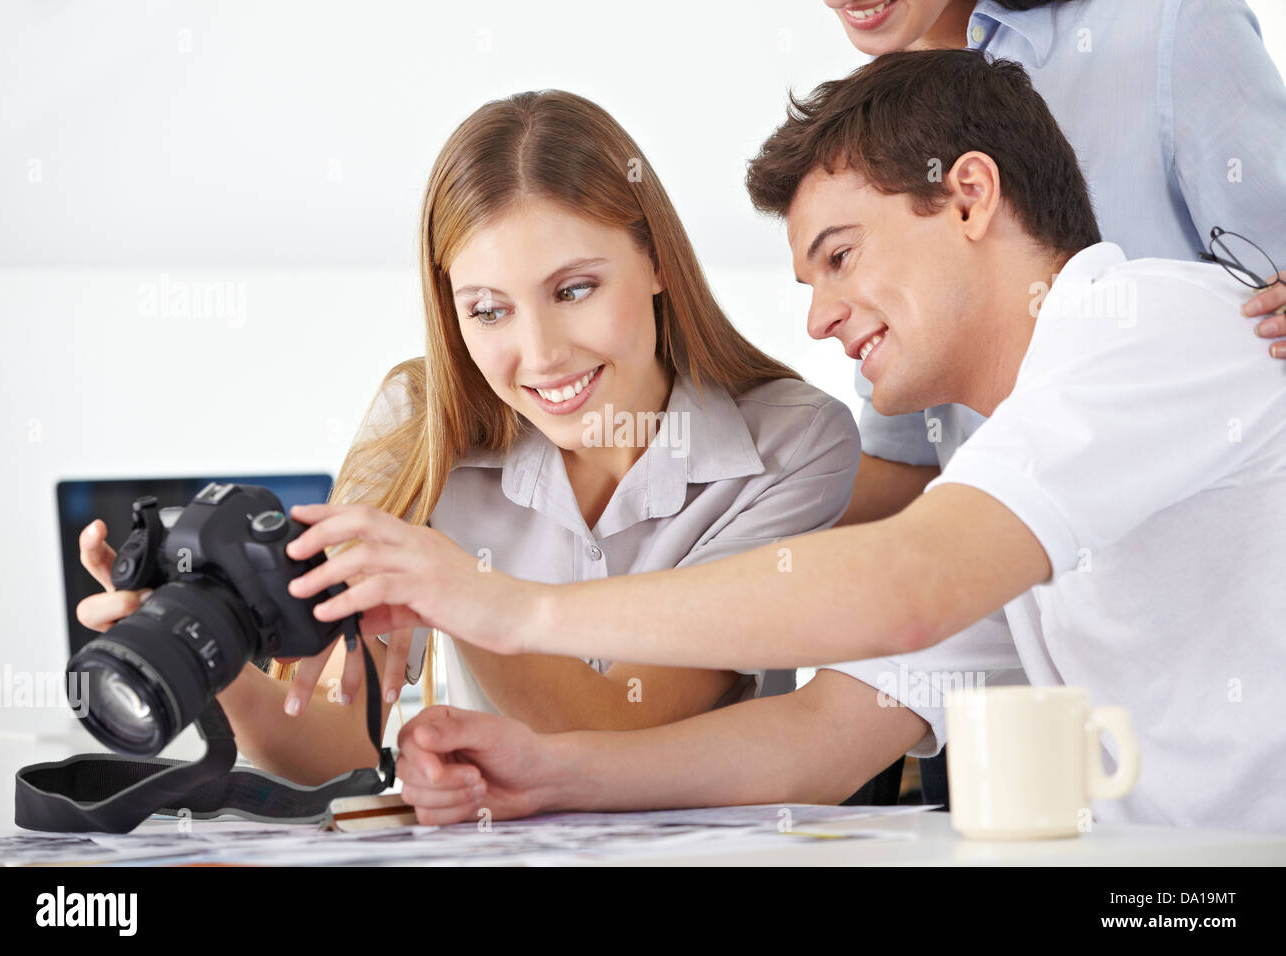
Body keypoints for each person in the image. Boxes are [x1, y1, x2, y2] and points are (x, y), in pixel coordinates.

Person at [288, 49, 1286, 832]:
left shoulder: (1148, 321)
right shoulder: (1003, 486)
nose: (817, 321)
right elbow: (814, 740)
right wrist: (543, 771)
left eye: (839, 256)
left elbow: (906, 585)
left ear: (971, 196)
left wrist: (507, 607)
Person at [75, 89, 860, 786]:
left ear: (655, 261)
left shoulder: (794, 445)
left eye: (575, 289)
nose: (542, 352)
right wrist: (196, 644)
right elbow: (343, 744)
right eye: (489, 310)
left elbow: (630, 718)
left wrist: (455, 590)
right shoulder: (420, 427)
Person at [826, 0, 1286, 806]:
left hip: (1211, 672)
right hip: (1012, 661)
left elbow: (1262, 317)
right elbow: (907, 462)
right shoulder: (871, 124)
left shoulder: (1169, 29)